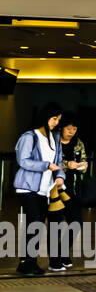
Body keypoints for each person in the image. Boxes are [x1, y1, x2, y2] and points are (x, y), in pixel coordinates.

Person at [13, 102, 65, 276]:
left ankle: (24, 262)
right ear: (45, 116)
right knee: (35, 223)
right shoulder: (29, 137)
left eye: (58, 120)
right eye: (54, 118)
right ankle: (29, 263)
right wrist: (45, 165)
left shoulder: (54, 138)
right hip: (27, 187)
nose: (56, 122)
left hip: (44, 189)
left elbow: (58, 163)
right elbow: (23, 161)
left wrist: (59, 176)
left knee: (36, 225)